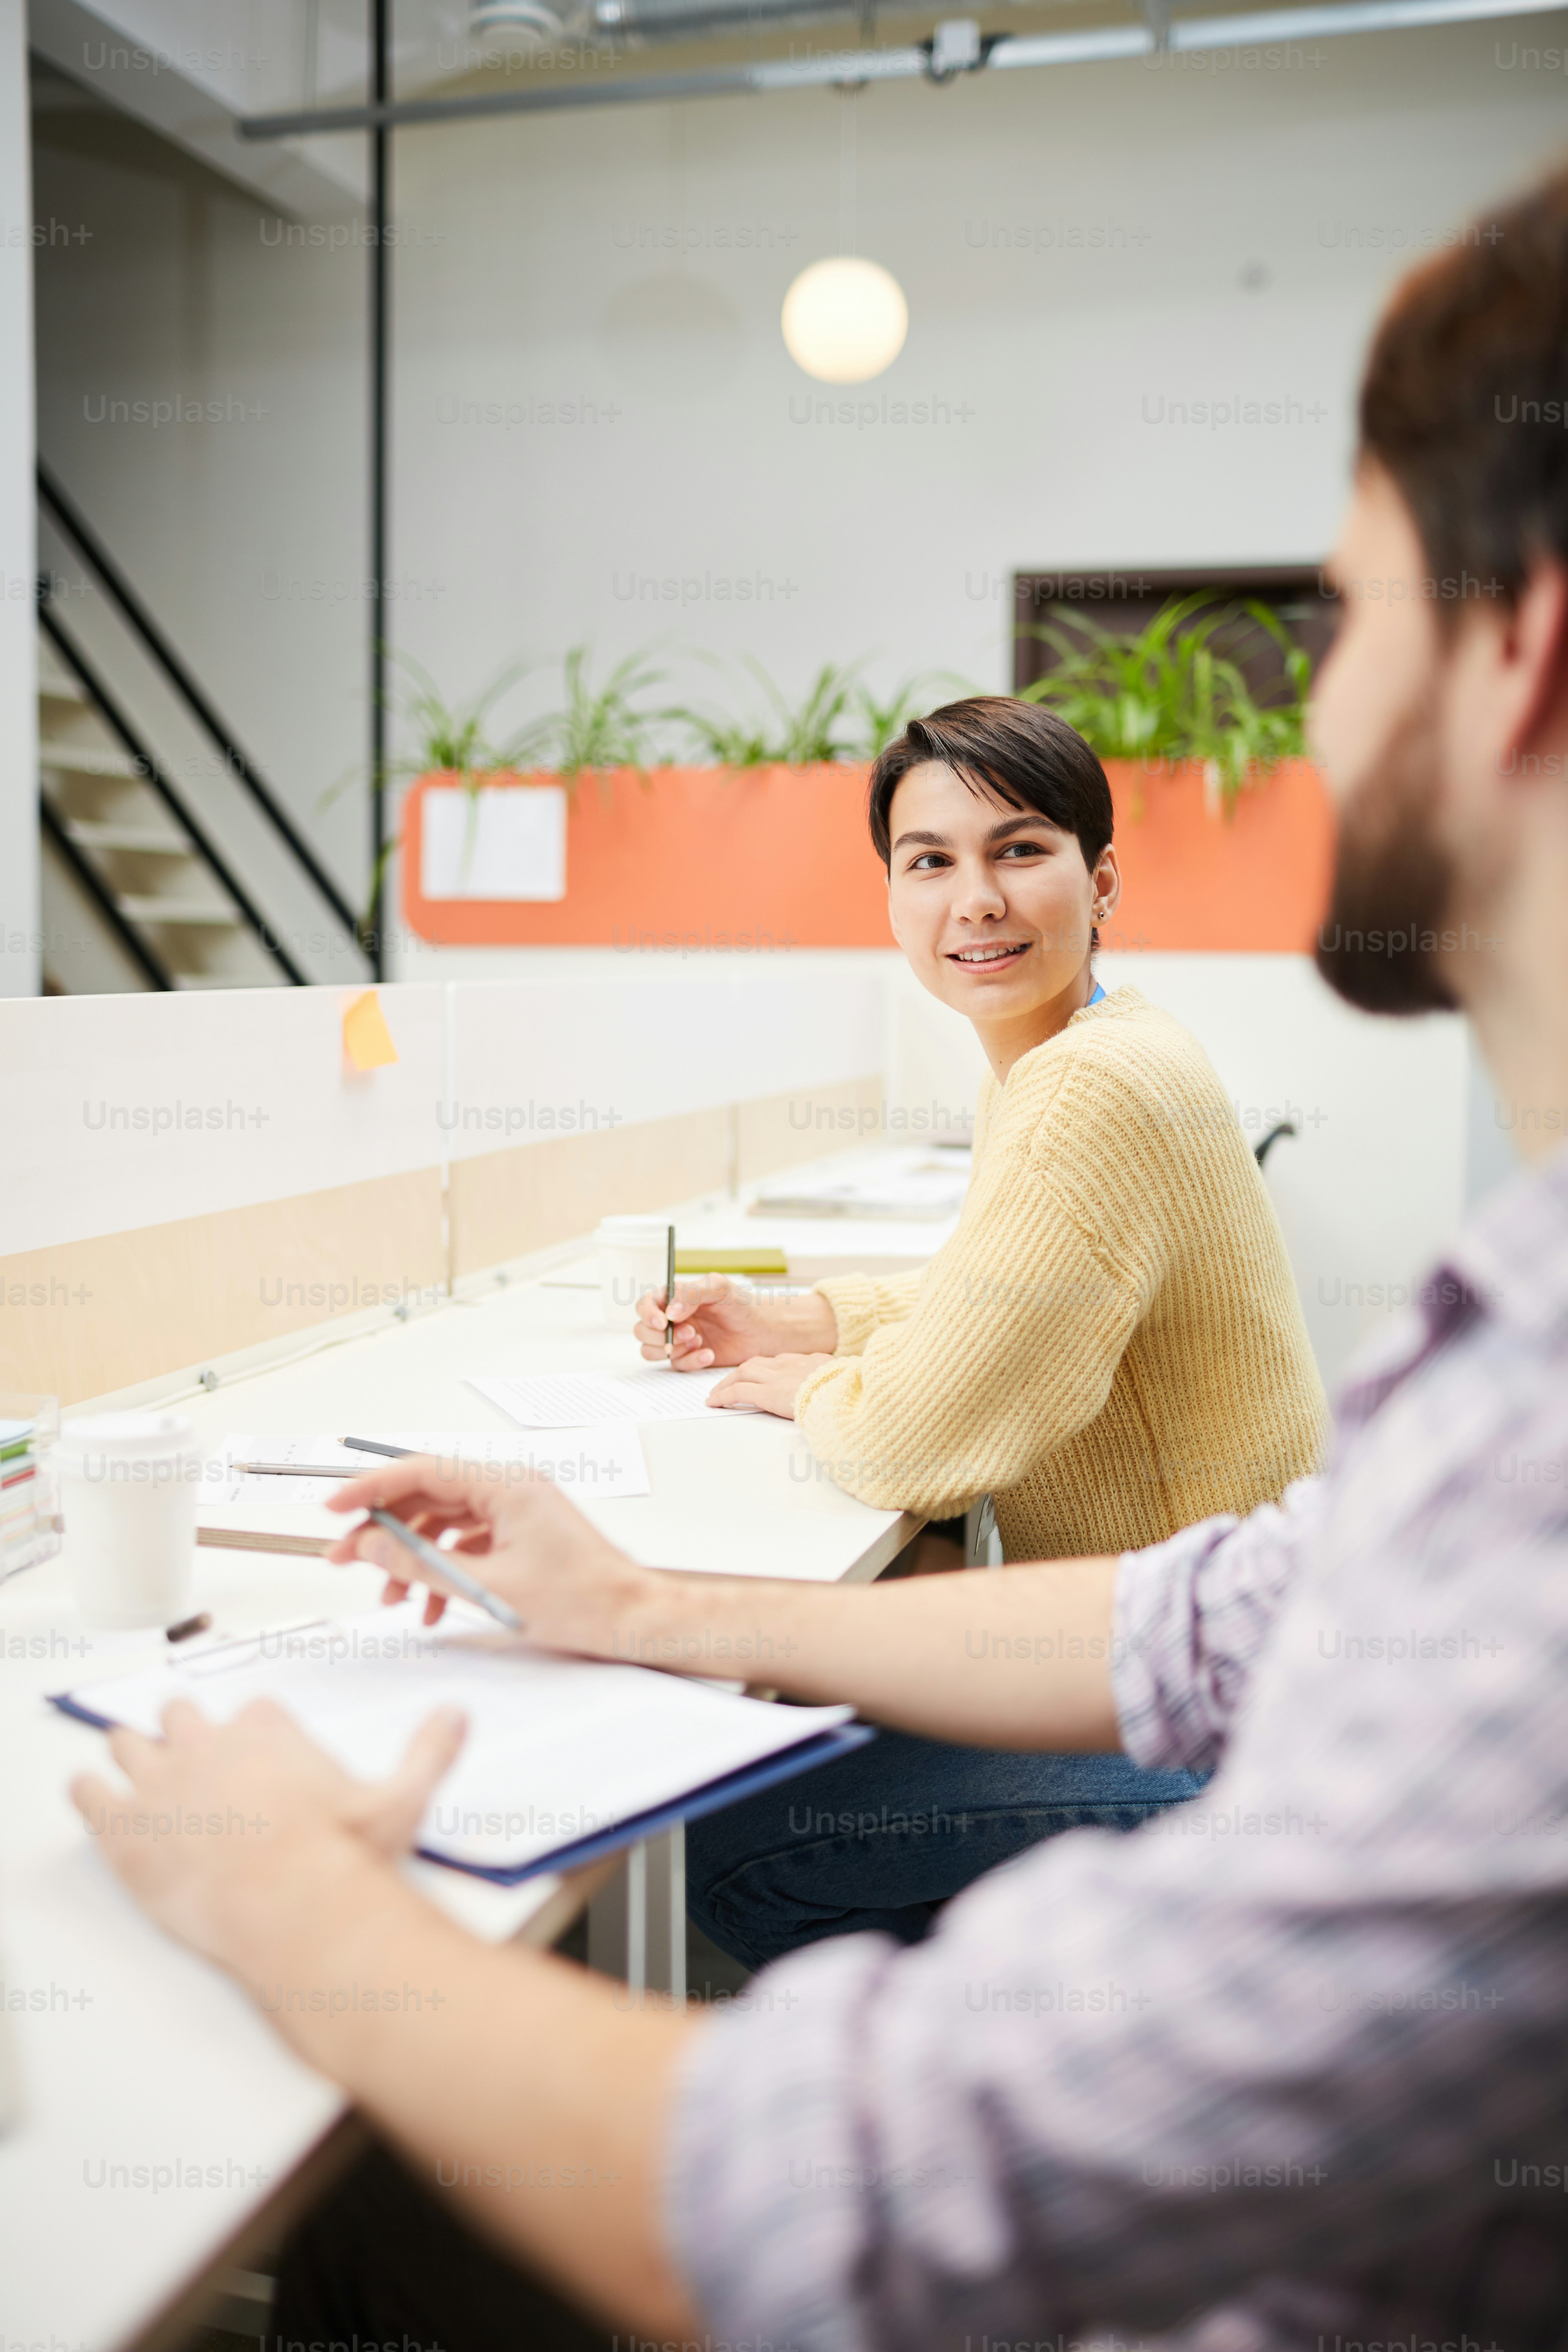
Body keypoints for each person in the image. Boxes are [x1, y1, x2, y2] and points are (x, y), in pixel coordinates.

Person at [73, 163, 1568, 2352]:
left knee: (575, 1981)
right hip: (1187, 1760)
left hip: (1149, 2066)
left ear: (1515, 646)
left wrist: (300, 1904)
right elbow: (1219, 1606)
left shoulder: (1125, 1100)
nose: (1316, 720)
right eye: (929, 863)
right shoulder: (1435, 1268)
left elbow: (905, 2187)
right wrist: (647, 1593)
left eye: (1345, 624)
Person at [634, 695, 1328, 1960]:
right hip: (1226, 1676)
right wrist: (807, 1317)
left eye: (1020, 850)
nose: (977, 900)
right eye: (931, 862)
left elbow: (914, 1442)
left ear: (1100, 876)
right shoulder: (1100, 1044)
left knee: (735, 1836)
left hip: (1224, 1733)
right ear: (892, 898)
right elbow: (989, 1287)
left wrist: (810, 1388)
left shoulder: (1086, 1085)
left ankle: (1007, 2095)